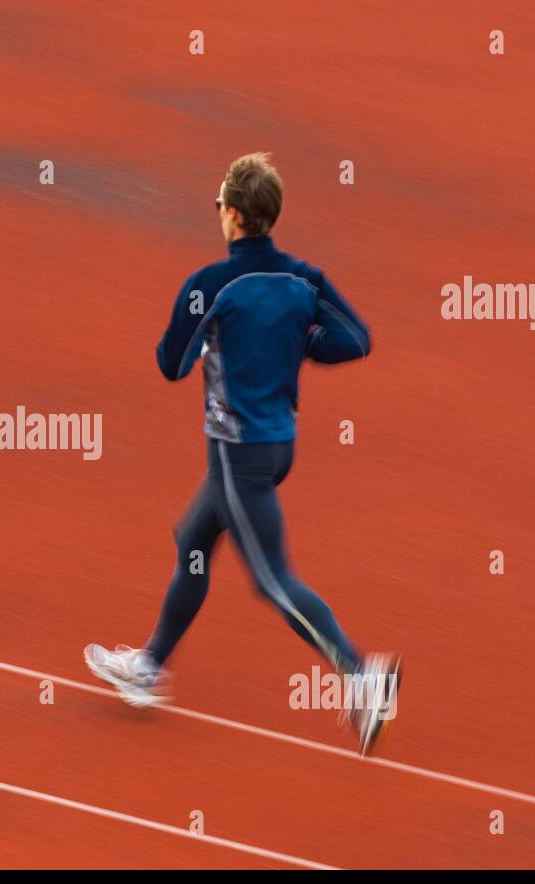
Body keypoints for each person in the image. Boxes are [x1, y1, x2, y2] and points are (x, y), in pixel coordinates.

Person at [84, 153, 401, 756]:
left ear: (232, 214)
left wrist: (208, 337)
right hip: (279, 444)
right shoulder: (304, 279)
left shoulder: (210, 285)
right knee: (194, 543)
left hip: (239, 451)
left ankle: (362, 676)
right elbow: (354, 340)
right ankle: (149, 666)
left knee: (272, 581)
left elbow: (169, 365)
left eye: (218, 206)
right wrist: (297, 339)